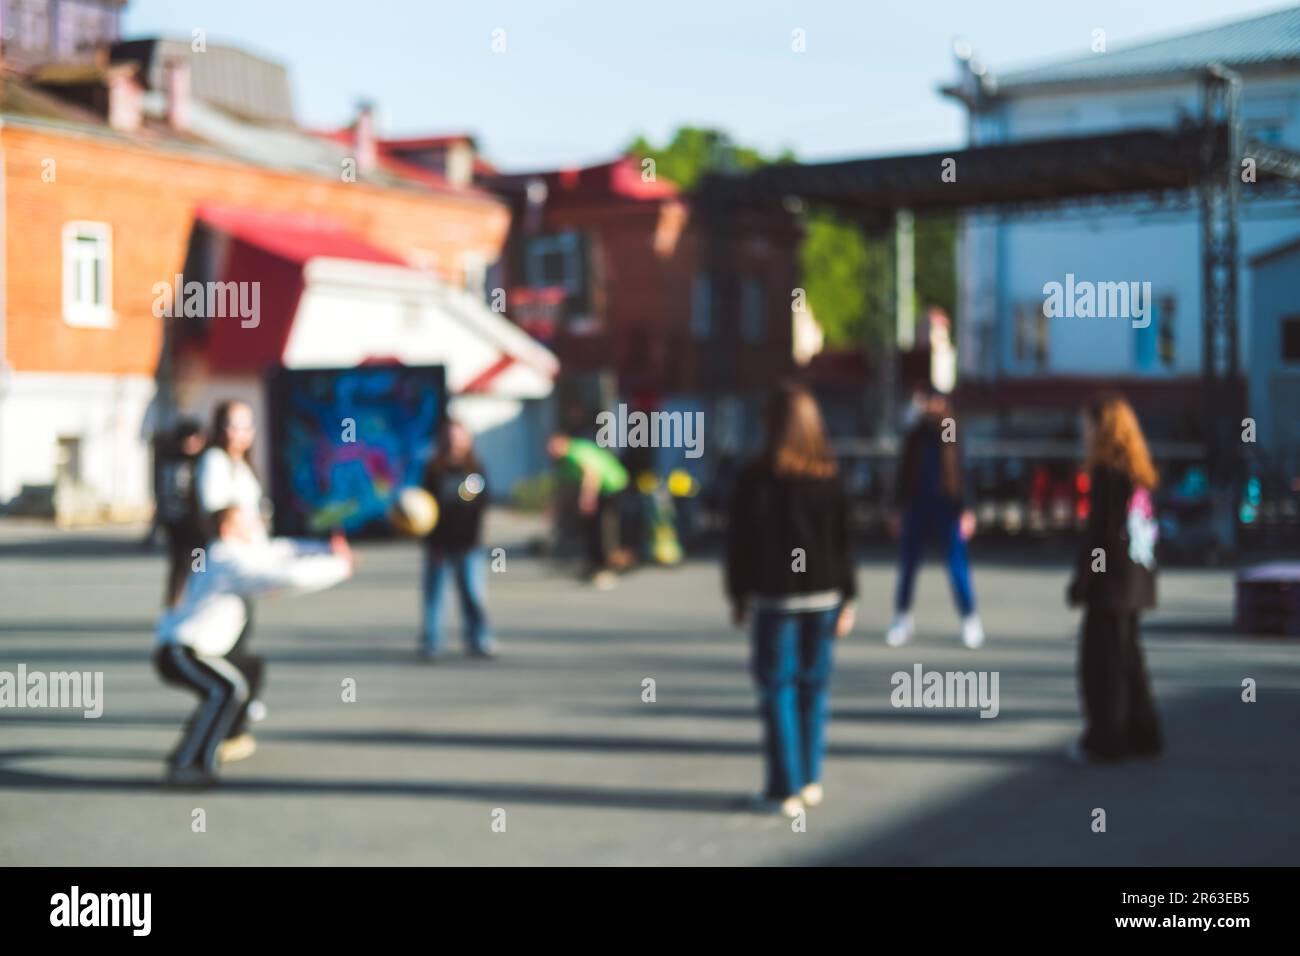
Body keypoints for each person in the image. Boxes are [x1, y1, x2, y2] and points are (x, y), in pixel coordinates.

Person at [725, 381, 857, 817]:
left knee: (777, 687)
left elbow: (740, 543)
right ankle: (809, 778)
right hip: (822, 595)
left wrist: (739, 594)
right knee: (812, 687)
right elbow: (843, 543)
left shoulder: (757, 477)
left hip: (776, 597)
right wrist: (849, 597)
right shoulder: (829, 477)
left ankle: (784, 788)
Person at [154, 506, 354, 786]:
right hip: (182, 653)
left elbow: (281, 551)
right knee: (227, 689)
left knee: (248, 670)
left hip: (199, 652)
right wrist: (341, 566)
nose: (254, 525)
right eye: (245, 522)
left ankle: (218, 741)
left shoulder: (236, 553)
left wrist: (326, 549)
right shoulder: (227, 558)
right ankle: (189, 765)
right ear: (227, 530)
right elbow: (288, 576)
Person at [1065, 393, 1163, 763]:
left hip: (1113, 585)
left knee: (1100, 665)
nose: (1084, 432)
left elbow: (1101, 539)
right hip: (1136, 580)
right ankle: (1143, 733)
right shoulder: (1137, 472)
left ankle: (1105, 740)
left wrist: (1087, 582)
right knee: (1128, 661)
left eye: (1088, 425)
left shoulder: (1107, 475)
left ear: (1103, 429)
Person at [885, 388, 985, 649]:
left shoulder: (950, 428)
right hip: (917, 505)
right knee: (908, 565)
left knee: (956, 566)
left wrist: (967, 509)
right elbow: (902, 471)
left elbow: (961, 468)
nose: (929, 406)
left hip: (947, 507)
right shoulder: (915, 433)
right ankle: (902, 616)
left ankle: (969, 617)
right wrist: (897, 508)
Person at [420, 419, 496, 658]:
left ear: (467, 439)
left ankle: (479, 639)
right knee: (434, 596)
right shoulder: (433, 469)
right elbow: (424, 507)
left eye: (458, 435)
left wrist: (472, 541)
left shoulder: (474, 470)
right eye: (449, 436)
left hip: (467, 544)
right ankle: (432, 641)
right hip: (438, 544)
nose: (454, 440)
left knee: (473, 595)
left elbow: (479, 508)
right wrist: (430, 541)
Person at [546, 432, 631, 589]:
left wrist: (587, 499)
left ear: (563, 441)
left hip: (611, 487)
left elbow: (592, 474)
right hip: (597, 491)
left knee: (605, 528)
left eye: (553, 446)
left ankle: (607, 568)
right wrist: (555, 509)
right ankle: (594, 565)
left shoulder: (576, 452)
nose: (550, 451)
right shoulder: (563, 461)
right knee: (590, 527)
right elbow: (563, 487)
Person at [156, 419, 207, 607]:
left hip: (199, 528)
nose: (191, 445)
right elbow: (164, 493)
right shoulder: (170, 462)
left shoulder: (205, 462)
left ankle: (197, 600)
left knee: (198, 565)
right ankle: (174, 603)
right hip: (177, 524)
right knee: (178, 564)